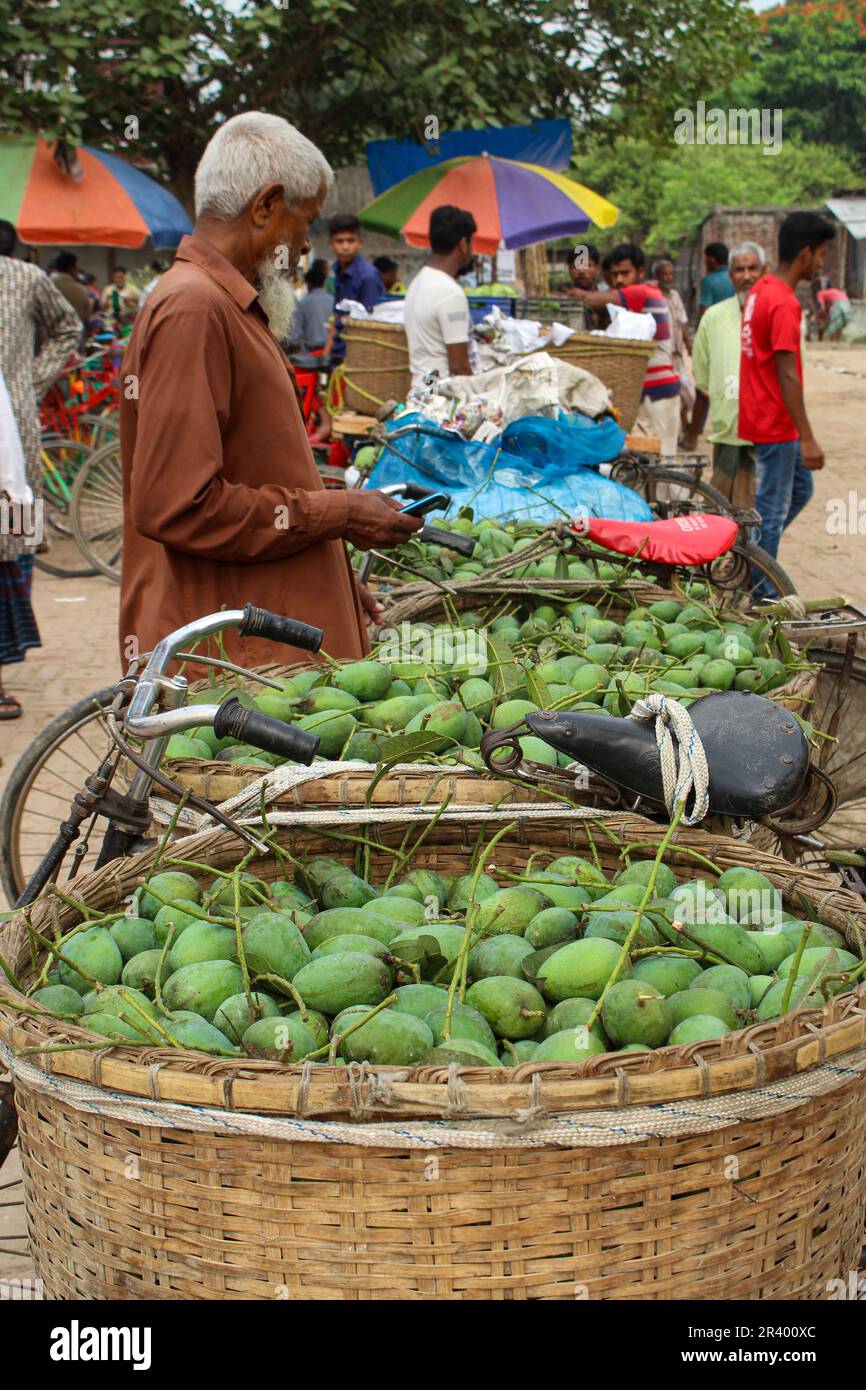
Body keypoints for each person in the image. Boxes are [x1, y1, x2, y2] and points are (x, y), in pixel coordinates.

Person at [119, 112, 422, 673]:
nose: (306, 244)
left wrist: (324, 565)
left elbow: (254, 478)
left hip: (261, 637)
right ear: (265, 205)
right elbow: (177, 506)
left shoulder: (224, 305)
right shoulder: (194, 309)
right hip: (234, 662)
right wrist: (338, 513)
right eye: (304, 221)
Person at [0, 219, 81, 717]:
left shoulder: (26, 279)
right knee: (11, 548)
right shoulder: (30, 277)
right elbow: (70, 327)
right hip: (15, 436)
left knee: (11, 545)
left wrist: (27, 383)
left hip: (14, 437)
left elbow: (68, 327)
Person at [739, 211, 836, 597]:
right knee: (773, 512)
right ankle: (764, 596)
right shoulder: (782, 302)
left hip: (766, 419)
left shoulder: (762, 289)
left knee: (801, 490)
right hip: (774, 424)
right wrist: (809, 438)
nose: (822, 263)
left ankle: (753, 553)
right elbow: (788, 375)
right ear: (805, 253)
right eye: (821, 254)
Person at [568, 242, 681, 456]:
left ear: (640, 272)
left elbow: (584, 298)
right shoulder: (627, 305)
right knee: (641, 463)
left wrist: (574, 294)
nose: (619, 279)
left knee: (663, 464)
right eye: (615, 274)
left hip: (658, 392)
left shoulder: (643, 292)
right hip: (640, 394)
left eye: (625, 273)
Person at [682, 241, 766, 508]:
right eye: (739, 269)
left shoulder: (773, 311)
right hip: (727, 424)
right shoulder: (715, 317)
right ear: (731, 275)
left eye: (752, 268)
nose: (746, 276)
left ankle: (754, 550)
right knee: (720, 504)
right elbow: (701, 368)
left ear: (763, 271)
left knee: (759, 505)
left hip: (766, 430)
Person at [403, 205, 477, 391]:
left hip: (423, 387)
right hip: (439, 395)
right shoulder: (450, 292)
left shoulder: (419, 282)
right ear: (463, 244)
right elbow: (458, 367)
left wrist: (429, 394)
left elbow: (431, 364)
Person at [323, 214, 385, 365]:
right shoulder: (338, 271)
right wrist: (324, 357)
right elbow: (337, 318)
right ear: (331, 243)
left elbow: (373, 326)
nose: (345, 247)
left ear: (360, 242)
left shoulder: (367, 276)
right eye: (339, 241)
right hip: (338, 354)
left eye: (350, 240)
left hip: (358, 359)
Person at [652, 257, 692, 430]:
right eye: (664, 275)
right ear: (657, 276)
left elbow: (681, 322)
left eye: (670, 275)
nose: (668, 278)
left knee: (687, 392)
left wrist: (688, 345)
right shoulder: (653, 297)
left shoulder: (675, 296)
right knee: (670, 393)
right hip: (662, 354)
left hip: (676, 354)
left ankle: (684, 424)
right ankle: (676, 428)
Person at [292, 258, 334, 351]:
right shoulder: (333, 301)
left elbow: (295, 333)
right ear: (323, 282)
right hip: (329, 348)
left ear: (308, 284)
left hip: (309, 351)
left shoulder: (303, 303)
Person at [565, 244, 608, 330]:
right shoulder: (562, 303)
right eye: (576, 266)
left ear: (597, 268)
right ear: (569, 269)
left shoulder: (608, 299)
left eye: (588, 265)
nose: (581, 271)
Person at [47, 251, 91, 326]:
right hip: (75, 334)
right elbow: (86, 317)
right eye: (76, 266)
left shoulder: (44, 285)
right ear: (71, 268)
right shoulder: (81, 290)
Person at [698, 242, 734, 323]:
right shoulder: (735, 277)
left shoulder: (708, 281)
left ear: (712, 260)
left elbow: (705, 312)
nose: (705, 262)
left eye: (706, 259)